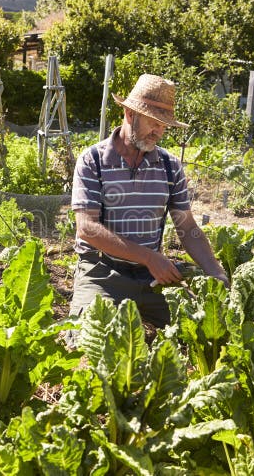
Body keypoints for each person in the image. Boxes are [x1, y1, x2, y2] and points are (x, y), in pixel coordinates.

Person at [69, 74, 228, 328]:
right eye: (154, 122)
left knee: (206, 328)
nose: (159, 131)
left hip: (153, 277)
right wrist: (150, 257)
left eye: (164, 125)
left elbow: (187, 228)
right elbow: (87, 229)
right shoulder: (93, 161)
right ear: (130, 114)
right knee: (94, 340)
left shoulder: (169, 165)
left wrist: (217, 273)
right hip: (103, 272)